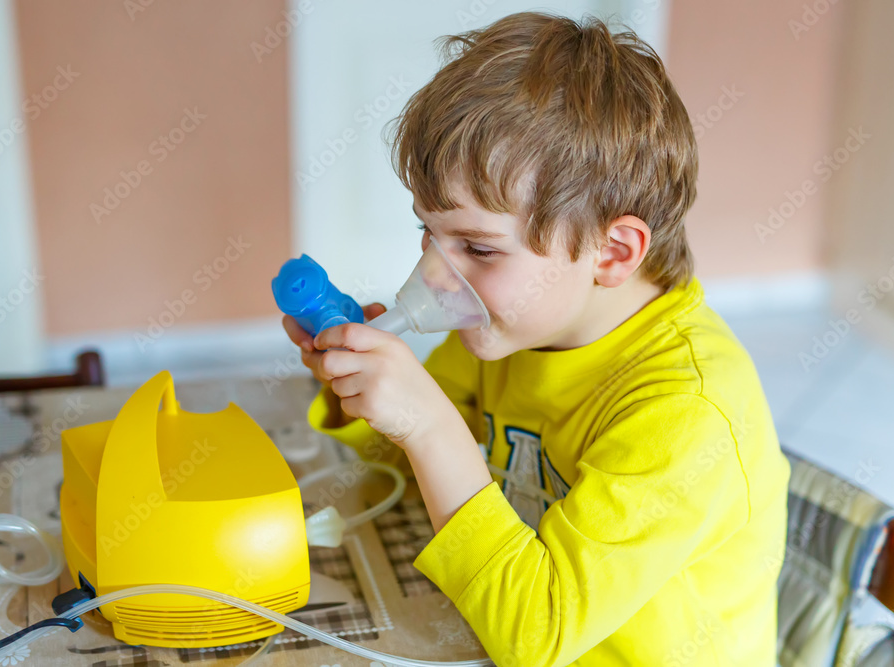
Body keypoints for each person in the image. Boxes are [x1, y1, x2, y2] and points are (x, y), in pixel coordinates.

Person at [282, 12, 790, 666]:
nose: (433, 275)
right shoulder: (512, 328)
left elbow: (537, 635)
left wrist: (431, 425)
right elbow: (405, 467)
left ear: (613, 251)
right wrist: (362, 386)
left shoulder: (685, 416)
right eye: (428, 234)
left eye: (479, 248)